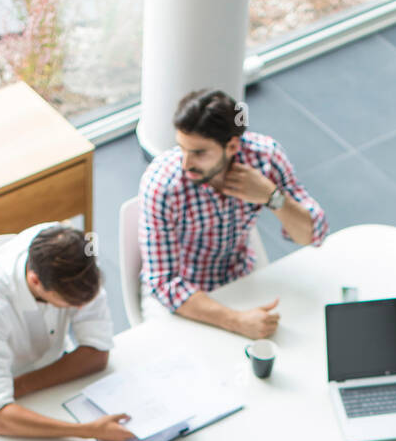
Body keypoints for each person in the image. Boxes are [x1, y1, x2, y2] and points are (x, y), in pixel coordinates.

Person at [138, 88, 328, 335]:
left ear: (232, 146)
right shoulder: (162, 184)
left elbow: (313, 235)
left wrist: (272, 197)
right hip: (182, 292)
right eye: (182, 148)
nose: (186, 163)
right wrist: (236, 321)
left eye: (199, 153)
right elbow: (163, 282)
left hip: (239, 274)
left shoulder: (265, 159)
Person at [0, 222, 135, 441]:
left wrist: (18, 385)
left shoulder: (78, 259)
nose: (81, 308)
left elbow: (97, 354)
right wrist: (87, 431)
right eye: (70, 303)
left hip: (43, 368)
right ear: (35, 281)